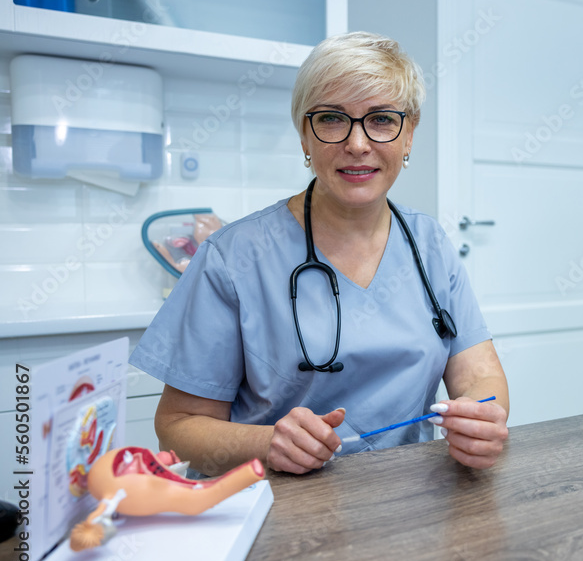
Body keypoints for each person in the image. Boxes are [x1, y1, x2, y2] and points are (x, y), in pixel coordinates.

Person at [132, 32, 509, 476]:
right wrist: (268, 441)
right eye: (332, 119)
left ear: (409, 134)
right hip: (275, 506)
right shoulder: (233, 257)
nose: (357, 144)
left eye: (382, 120)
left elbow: (481, 380)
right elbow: (177, 428)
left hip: (409, 502)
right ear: (304, 136)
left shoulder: (429, 244)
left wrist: (482, 419)